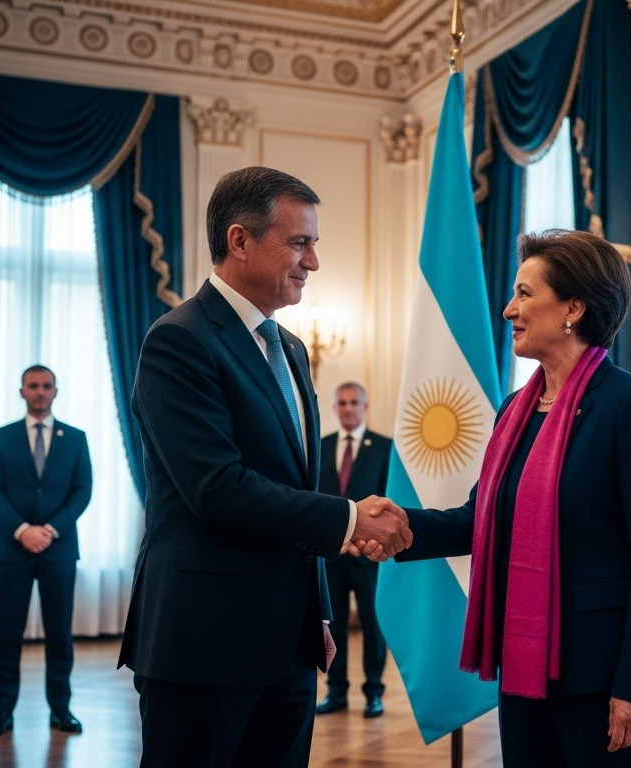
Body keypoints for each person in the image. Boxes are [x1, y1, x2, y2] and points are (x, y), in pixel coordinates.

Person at [118, 166, 412, 767]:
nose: (313, 261)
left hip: (290, 645)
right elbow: (216, 489)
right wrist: (352, 518)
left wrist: (319, 616)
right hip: (205, 644)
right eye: (299, 243)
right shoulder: (179, 341)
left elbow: (294, 485)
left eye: (314, 244)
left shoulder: (292, 349)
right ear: (240, 240)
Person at [371, 230, 631, 767]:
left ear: (574, 308)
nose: (509, 307)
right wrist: (399, 526)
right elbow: (480, 520)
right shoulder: (515, 410)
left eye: (524, 293)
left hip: (602, 676)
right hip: (526, 665)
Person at [0, 365, 92, 738]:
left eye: (46, 386)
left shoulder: (76, 438)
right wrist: (24, 530)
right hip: (12, 549)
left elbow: (82, 491)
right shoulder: (1, 437)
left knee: (60, 634)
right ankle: (2, 712)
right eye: (33, 386)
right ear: (22, 392)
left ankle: (61, 709)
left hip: (59, 550)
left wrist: (50, 530)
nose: (40, 392)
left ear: (56, 392)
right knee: (7, 634)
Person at [314, 382, 392, 718]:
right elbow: (314, 501)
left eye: (354, 402)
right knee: (333, 626)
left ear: (365, 405)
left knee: (374, 626)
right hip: (331, 555)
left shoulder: (384, 448)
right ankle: (336, 692)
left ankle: (374, 692)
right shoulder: (320, 447)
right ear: (334, 408)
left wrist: (363, 540)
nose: (348, 408)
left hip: (369, 556)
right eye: (342, 403)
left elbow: (390, 500)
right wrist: (337, 538)